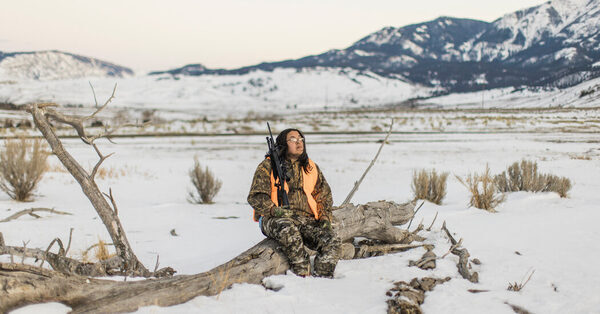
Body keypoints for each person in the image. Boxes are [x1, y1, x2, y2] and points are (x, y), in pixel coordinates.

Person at [247, 128, 341, 278]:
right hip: (274, 219)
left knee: (332, 240)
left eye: (301, 139)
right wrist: (273, 210)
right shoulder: (267, 166)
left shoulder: (310, 167)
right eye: (293, 139)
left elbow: (324, 195)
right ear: (283, 144)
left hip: (305, 219)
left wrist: (324, 218)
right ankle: (302, 276)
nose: (299, 143)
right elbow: (255, 196)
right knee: (289, 231)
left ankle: (322, 279)